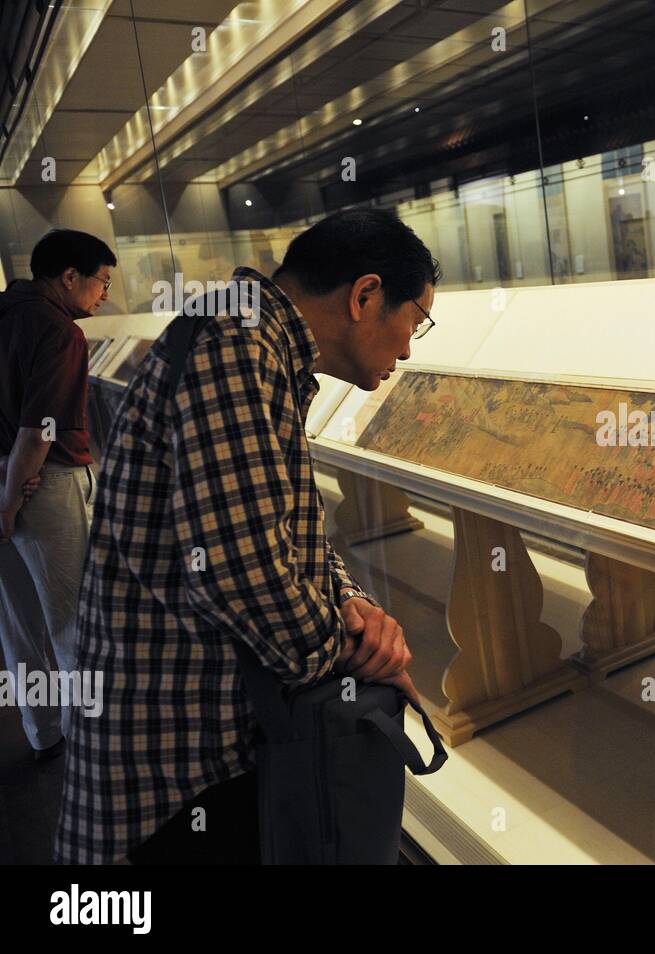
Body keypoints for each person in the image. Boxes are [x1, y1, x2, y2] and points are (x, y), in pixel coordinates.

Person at [54, 208, 440, 864]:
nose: (407, 349)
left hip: (192, 739)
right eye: (416, 321)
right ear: (365, 295)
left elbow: (278, 528)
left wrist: (348, 600)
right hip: (176, 765)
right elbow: (241, 576)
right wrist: (357, 653)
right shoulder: (241, 344)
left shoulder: (249, 336)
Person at [0, 229, 115, 761]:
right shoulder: (60, 330)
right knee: (74, 618)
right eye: (101, 282)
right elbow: (38, 429)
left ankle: (43, 731)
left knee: (17, 619)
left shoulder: (5, 310)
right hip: (40, 485)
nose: (104, 295)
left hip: (9, 479)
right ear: (69, 277)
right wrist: (11, 501)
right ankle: (93, 742)